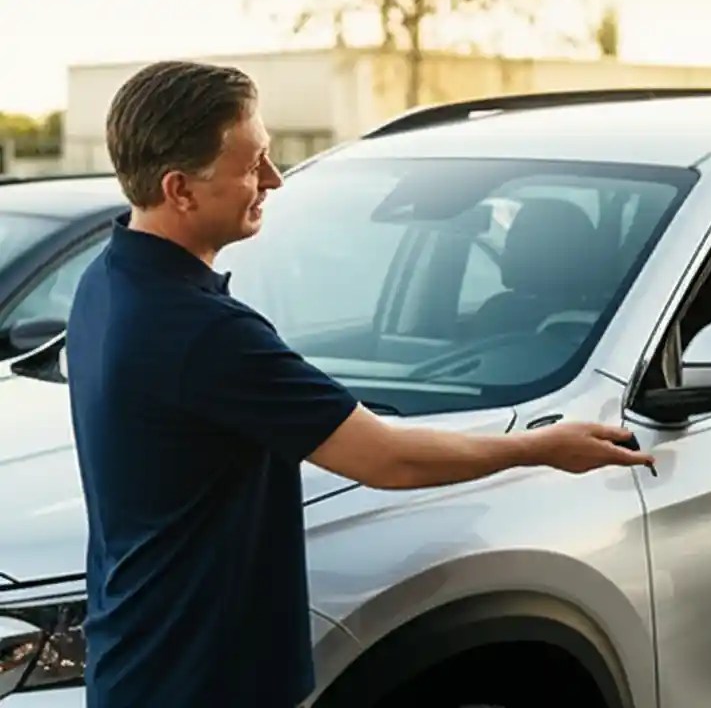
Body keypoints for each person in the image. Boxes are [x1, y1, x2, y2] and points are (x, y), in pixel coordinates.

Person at [64, 60, 654, 708]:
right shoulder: (199, 332)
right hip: (202, 683)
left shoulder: (106, 283)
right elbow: (385, 458)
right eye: (251, 164)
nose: (274, 179)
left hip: (136, 664)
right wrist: (541, 448)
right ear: (180, 189)